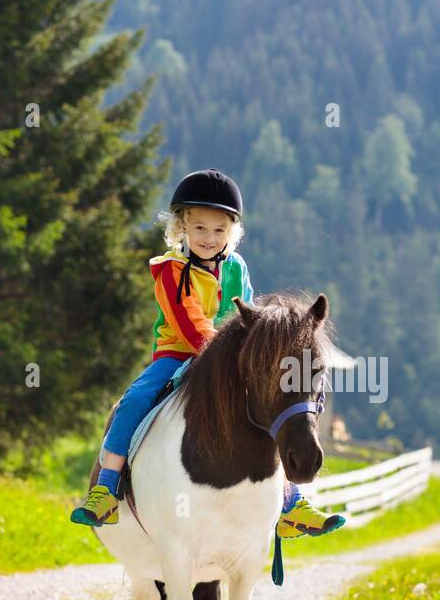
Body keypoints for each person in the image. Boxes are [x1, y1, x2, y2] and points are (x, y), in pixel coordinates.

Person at [70, 168, 345, 540]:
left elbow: (248, 315)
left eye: (219, 231)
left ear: (230, 233)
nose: (208, 239)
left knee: (270, 409)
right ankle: (106, 486)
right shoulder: (170, 270)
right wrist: (226, 353)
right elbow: (189, 325)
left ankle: (290, 502)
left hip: (231, 362)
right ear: (181, 227)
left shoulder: (236, 267)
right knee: (133, 401)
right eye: (199, 229)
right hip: (177, 354)